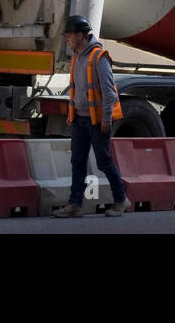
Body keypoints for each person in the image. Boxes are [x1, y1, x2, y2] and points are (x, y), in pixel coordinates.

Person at [52, 15, 130, 217]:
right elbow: (76, 89)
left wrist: (106, 118)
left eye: (69, 35)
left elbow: (109, 92)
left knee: (104, 161)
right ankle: (75, 204)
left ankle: (121, 200)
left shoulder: (98, 56)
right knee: (77, 161)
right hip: (79, 119)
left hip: (97, 121)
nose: (67, 39)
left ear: (80, 35)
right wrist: (72, 114)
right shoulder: (77, 57)